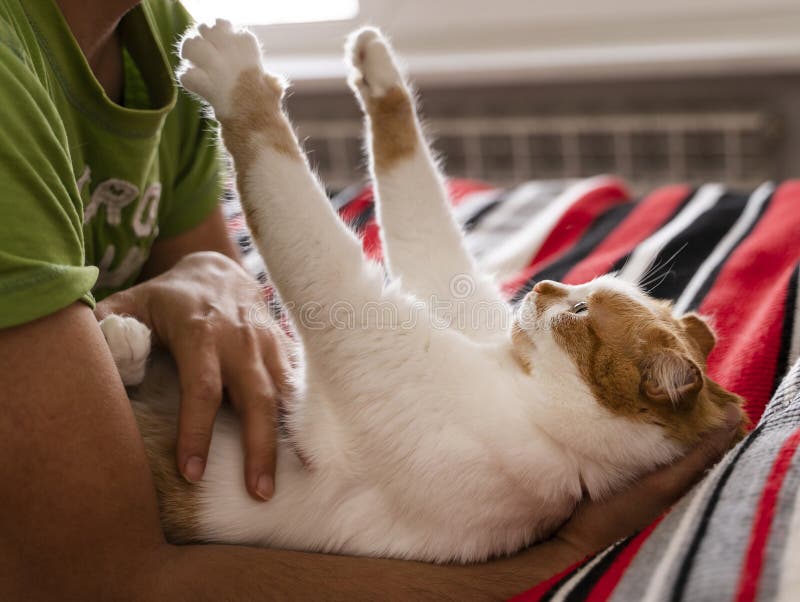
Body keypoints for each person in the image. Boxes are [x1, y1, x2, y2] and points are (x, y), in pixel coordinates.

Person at [0, 0, 740, 599]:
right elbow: (429, 254)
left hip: (165, 472)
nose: (548, 288)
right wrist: (390, 115)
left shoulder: (493, 470)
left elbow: (332, 290)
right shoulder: (529, 437)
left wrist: (248, 108)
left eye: (577, 307)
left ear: (638, 392)